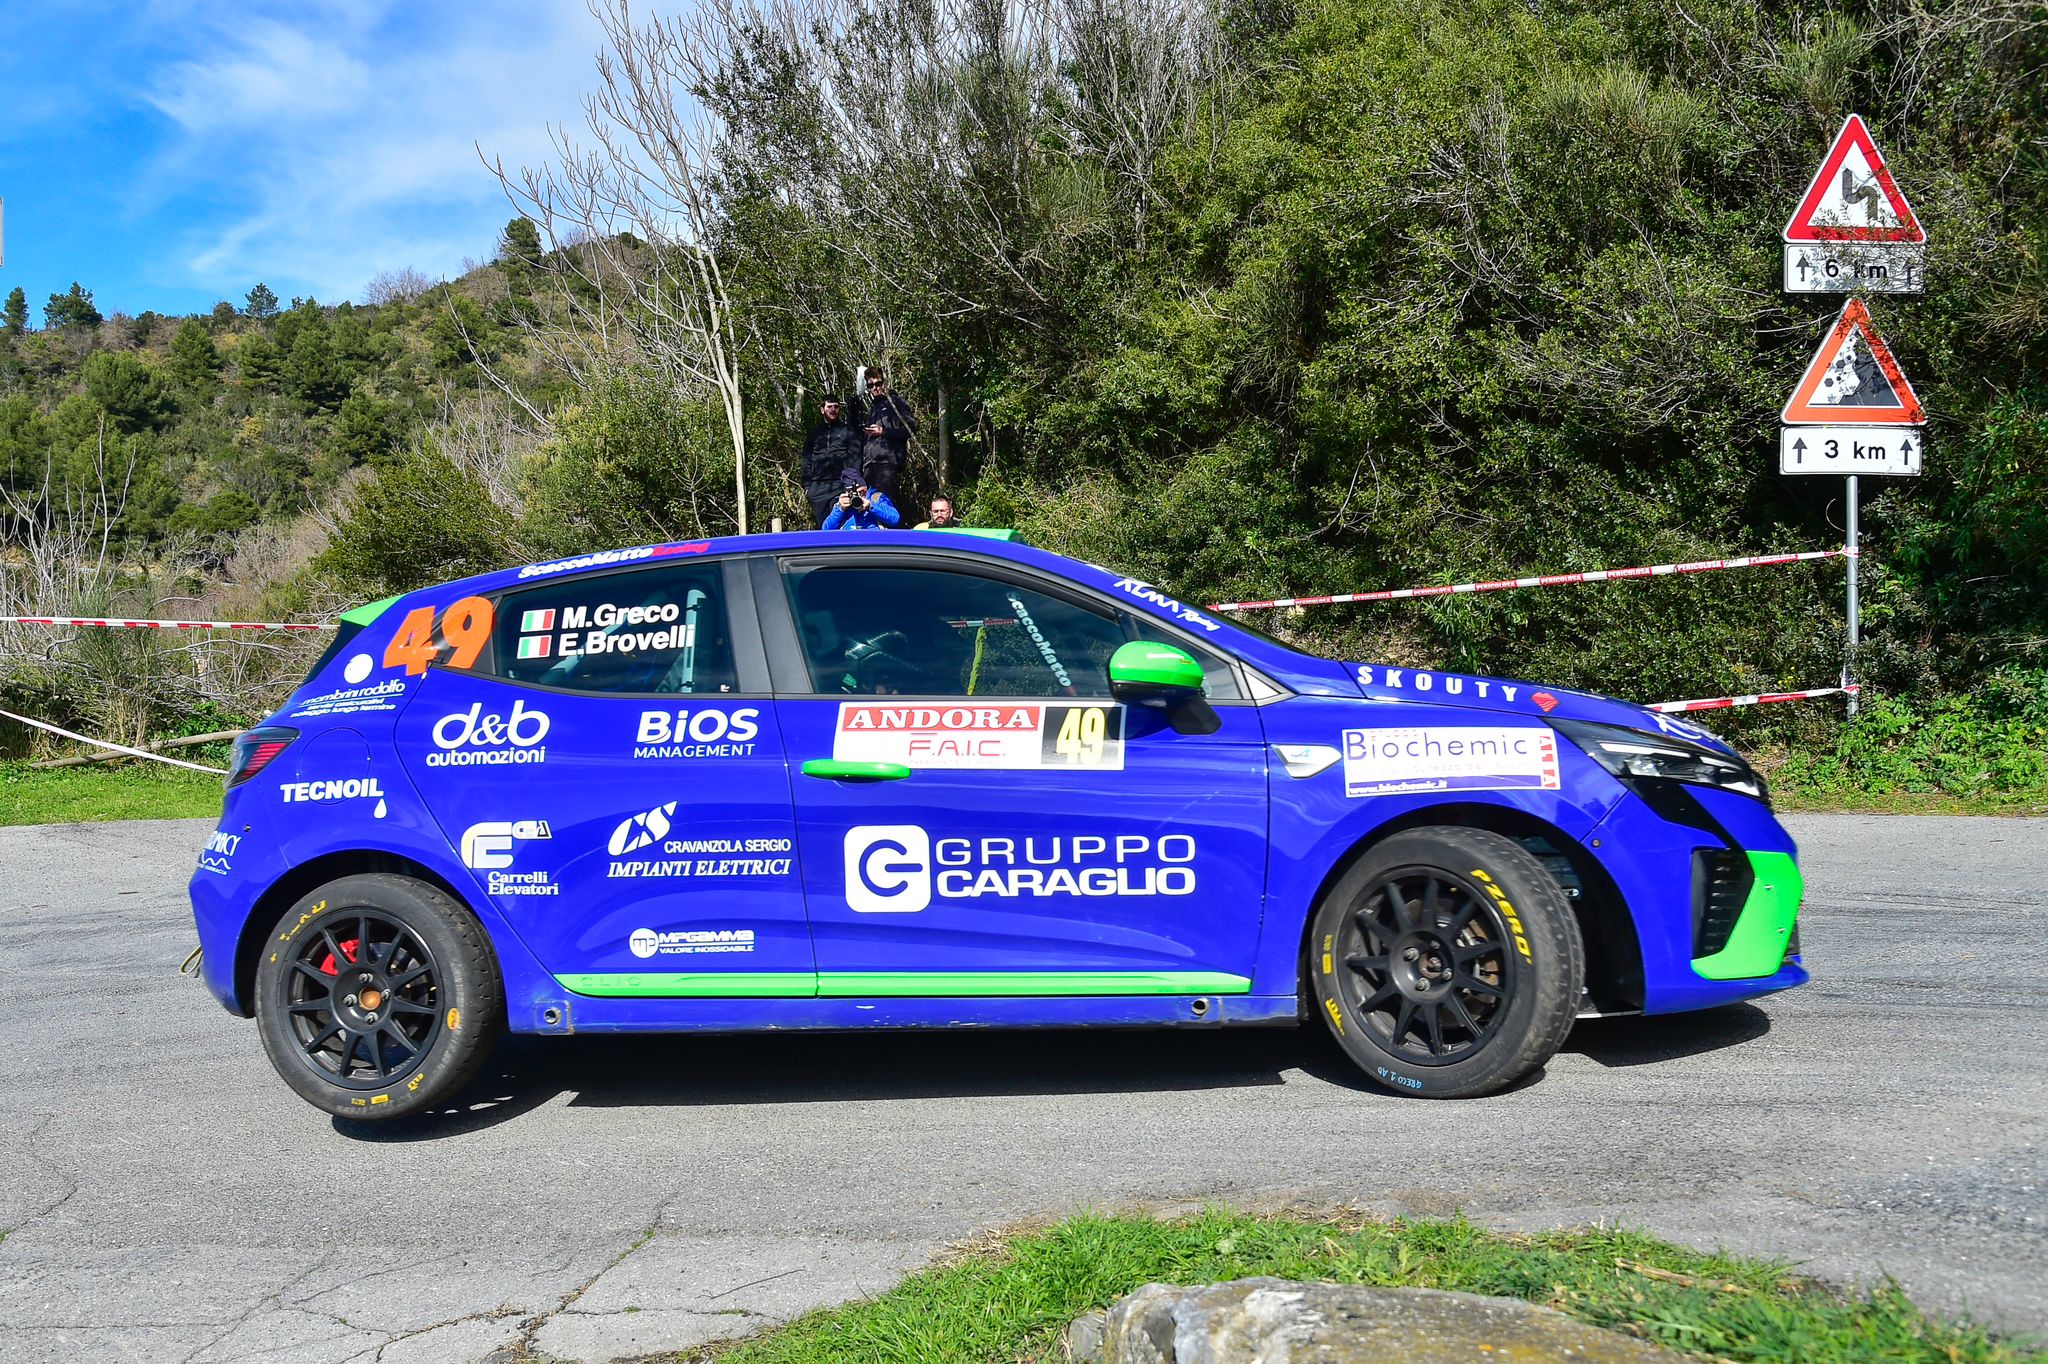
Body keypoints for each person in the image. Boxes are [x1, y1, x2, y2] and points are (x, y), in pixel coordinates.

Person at [797, 395, 864, 526]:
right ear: (822, 410)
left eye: (836, 407)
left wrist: (851, 483)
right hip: (817, 489)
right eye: (829, 407)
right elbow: (806, 459)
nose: (833, 410)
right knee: (824, 527)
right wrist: (807, 487)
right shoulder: (814, 433)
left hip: (840, 487)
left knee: (840, 524)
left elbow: (856, 458)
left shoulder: (848, 431)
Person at [859, 368, 914, 499]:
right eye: (871, 385)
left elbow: (910, 429)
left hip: (887, 463)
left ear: (884, 383)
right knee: (870, 506)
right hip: (869, 465)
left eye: (878, 384)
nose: (875, 388)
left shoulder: (896, 402)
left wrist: (883, 432)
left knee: (884, 504)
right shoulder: (872, 409)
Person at [821, 472, 902, 530]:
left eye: (862, 492)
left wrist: (871, 507)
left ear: (865, 488)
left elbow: (895, 519)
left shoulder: (876, 498)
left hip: (874, 545)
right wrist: (841, 510)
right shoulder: (842, 503)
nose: (859, 496)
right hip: (849, 546)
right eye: (853, 494)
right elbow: (826, 529)